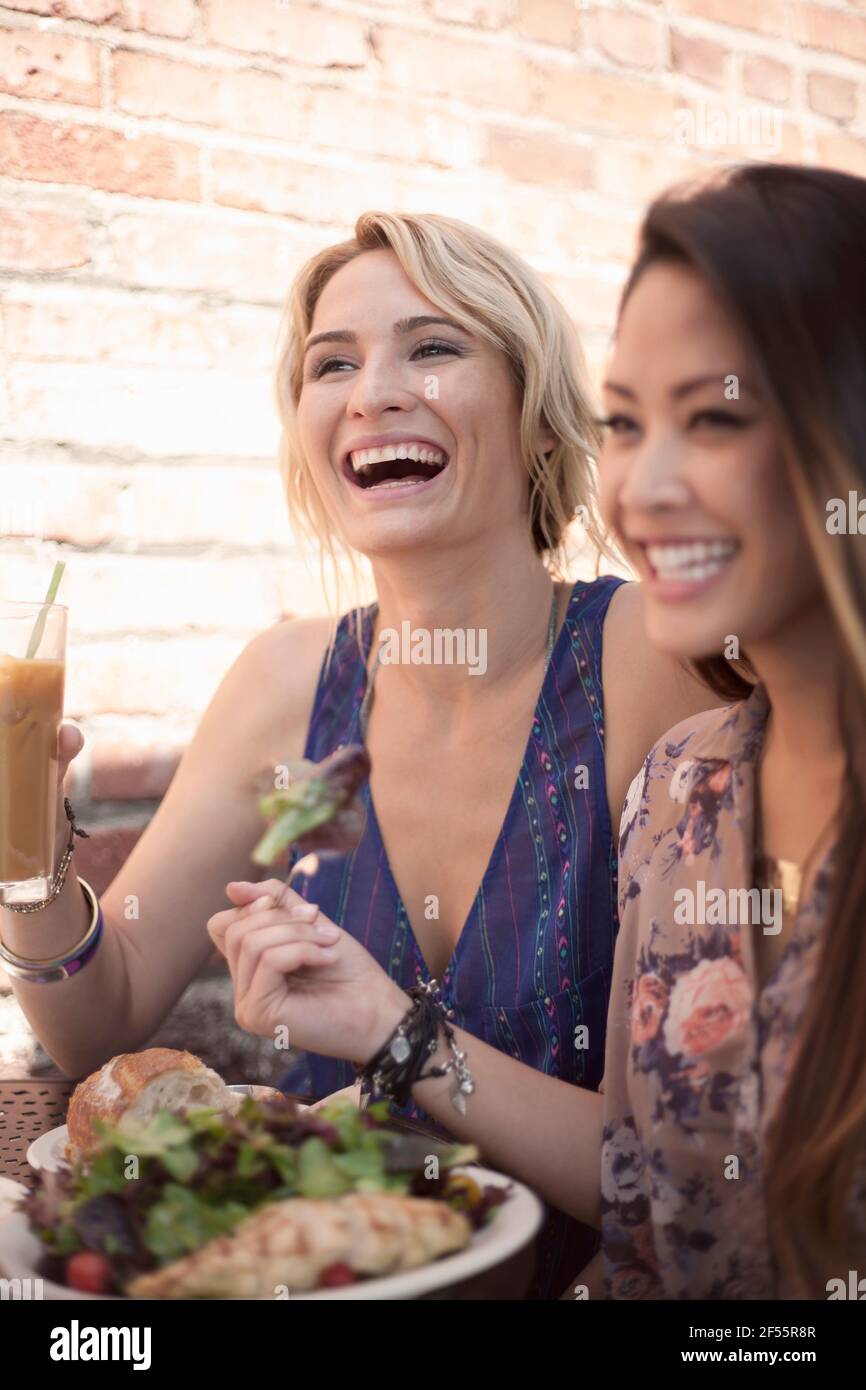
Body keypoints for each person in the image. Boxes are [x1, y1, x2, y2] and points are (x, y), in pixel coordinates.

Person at [0, 212, 713, 1300]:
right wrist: (26, 852)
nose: (369, 390)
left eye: (431, 346)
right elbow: (101, 1012)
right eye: (331, 363)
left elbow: (683, 1183)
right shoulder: (289, 679)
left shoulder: (644, 663)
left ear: (532, 410)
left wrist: (398, 1034)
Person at [209, 165, 866, 1299]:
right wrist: (383, 1027)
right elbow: (656, 1196)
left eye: (711, 416)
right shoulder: (691, 785)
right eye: (625, 422)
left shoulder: (644, 686)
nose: (644, 484)